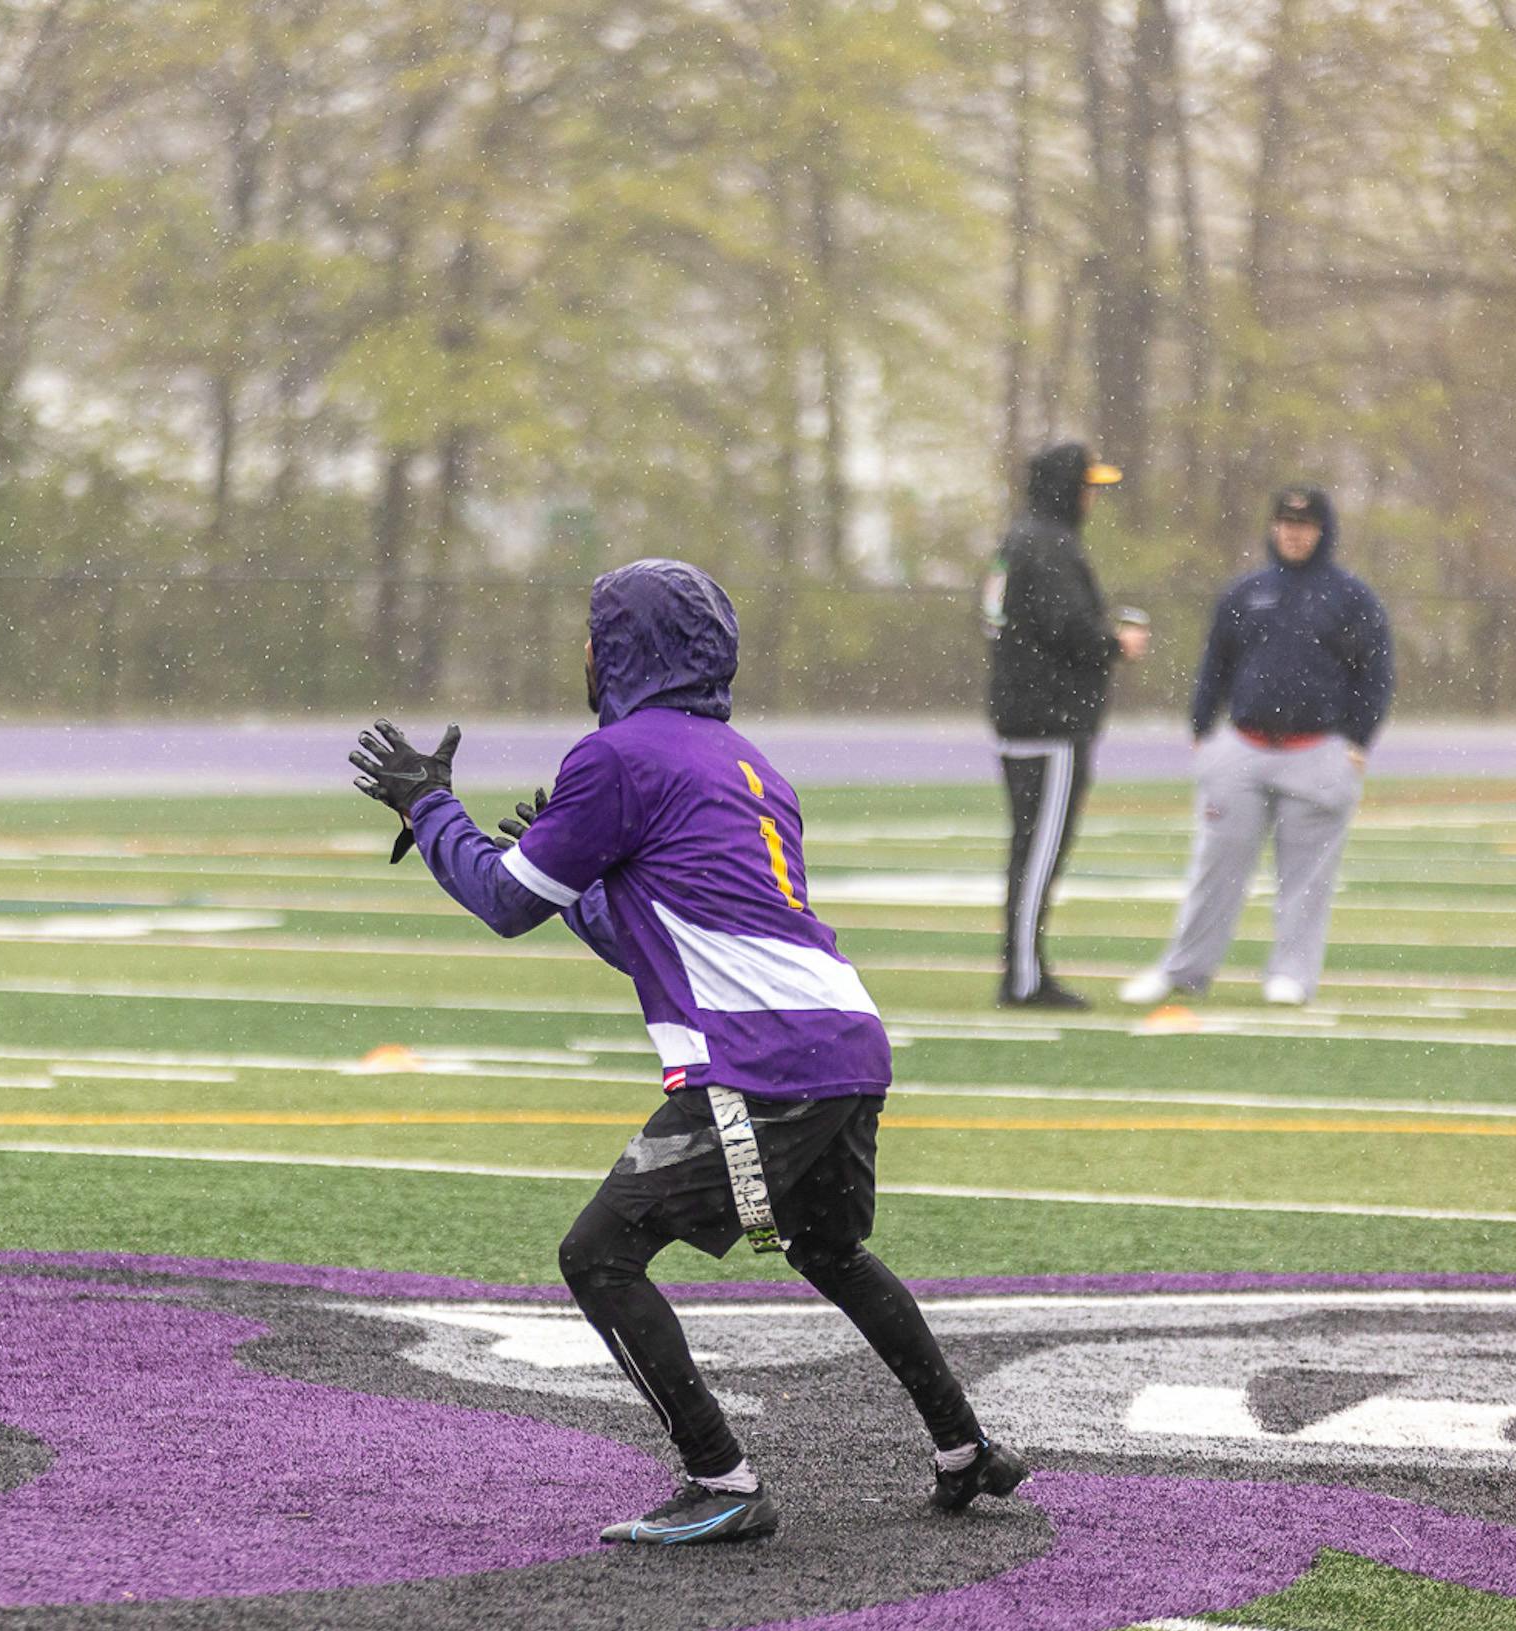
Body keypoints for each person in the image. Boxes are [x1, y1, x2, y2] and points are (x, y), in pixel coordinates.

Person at [350, 558, 1028, 1548]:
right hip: (844, 1032)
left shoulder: (614, 757)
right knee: (828, 1247)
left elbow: (502, 903)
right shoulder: (750, 763)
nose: (583, 652)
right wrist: (587, 891)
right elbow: (665, 937)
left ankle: (722, 1476)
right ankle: (963, 1446)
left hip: (761, 1059)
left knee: (598, 1255)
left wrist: (427, 805)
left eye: (594, 635)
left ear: (621, 648)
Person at [1120, 485, 1394, 1008]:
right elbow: (1216, 664)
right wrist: (1201, 728)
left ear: (1322, 530)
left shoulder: (1350, 598)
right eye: (1286, 524)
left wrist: (1358, 741)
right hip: (1244, 745)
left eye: (1305, 525)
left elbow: (1375, 674)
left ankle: (1291, 974)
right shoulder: (1247, 592)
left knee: (1306, 876)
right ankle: (1185, 969)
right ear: (1273, 527)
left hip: (1316, 749)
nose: (1294, 534)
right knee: (1216, 866)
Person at [984, 441, 1149, 1009]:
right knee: (1038, 851)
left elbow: (999, 620)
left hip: (1024, 715)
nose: (1092, 499)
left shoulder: (1019, 539)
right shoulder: (1048, 545)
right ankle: (1024, 977)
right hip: (1049, 723)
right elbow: (1067, 626)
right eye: (1087, 487)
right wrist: (1114, 644)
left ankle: (1025, 969)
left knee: (1030, 849)